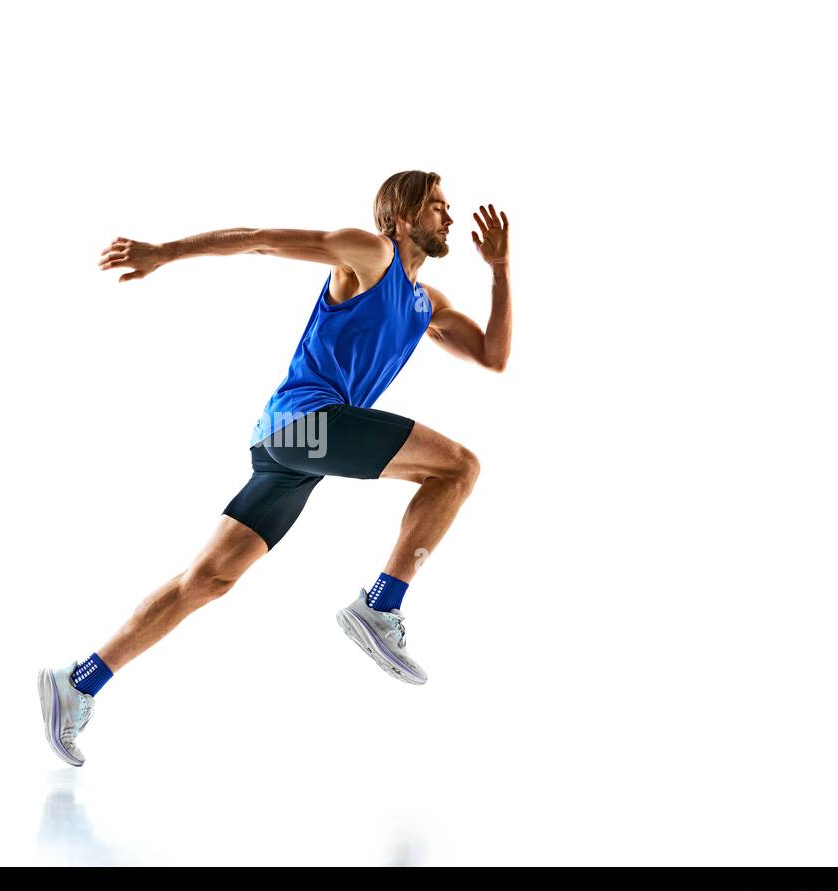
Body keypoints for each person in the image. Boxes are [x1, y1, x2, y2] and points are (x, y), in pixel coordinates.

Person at [39, 171, 512, 766]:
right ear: (401, 216)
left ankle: (77, 682)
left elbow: (493, 357)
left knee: (208, 580)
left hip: (293, 445)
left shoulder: (426, 303)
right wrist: (164, 253)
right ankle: (380, 605)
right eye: (437, 206)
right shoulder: (371, 254)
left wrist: (499, 269)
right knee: (459, 467)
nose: (448, 216)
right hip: (306, 425)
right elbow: (261, 239)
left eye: (448, 207)